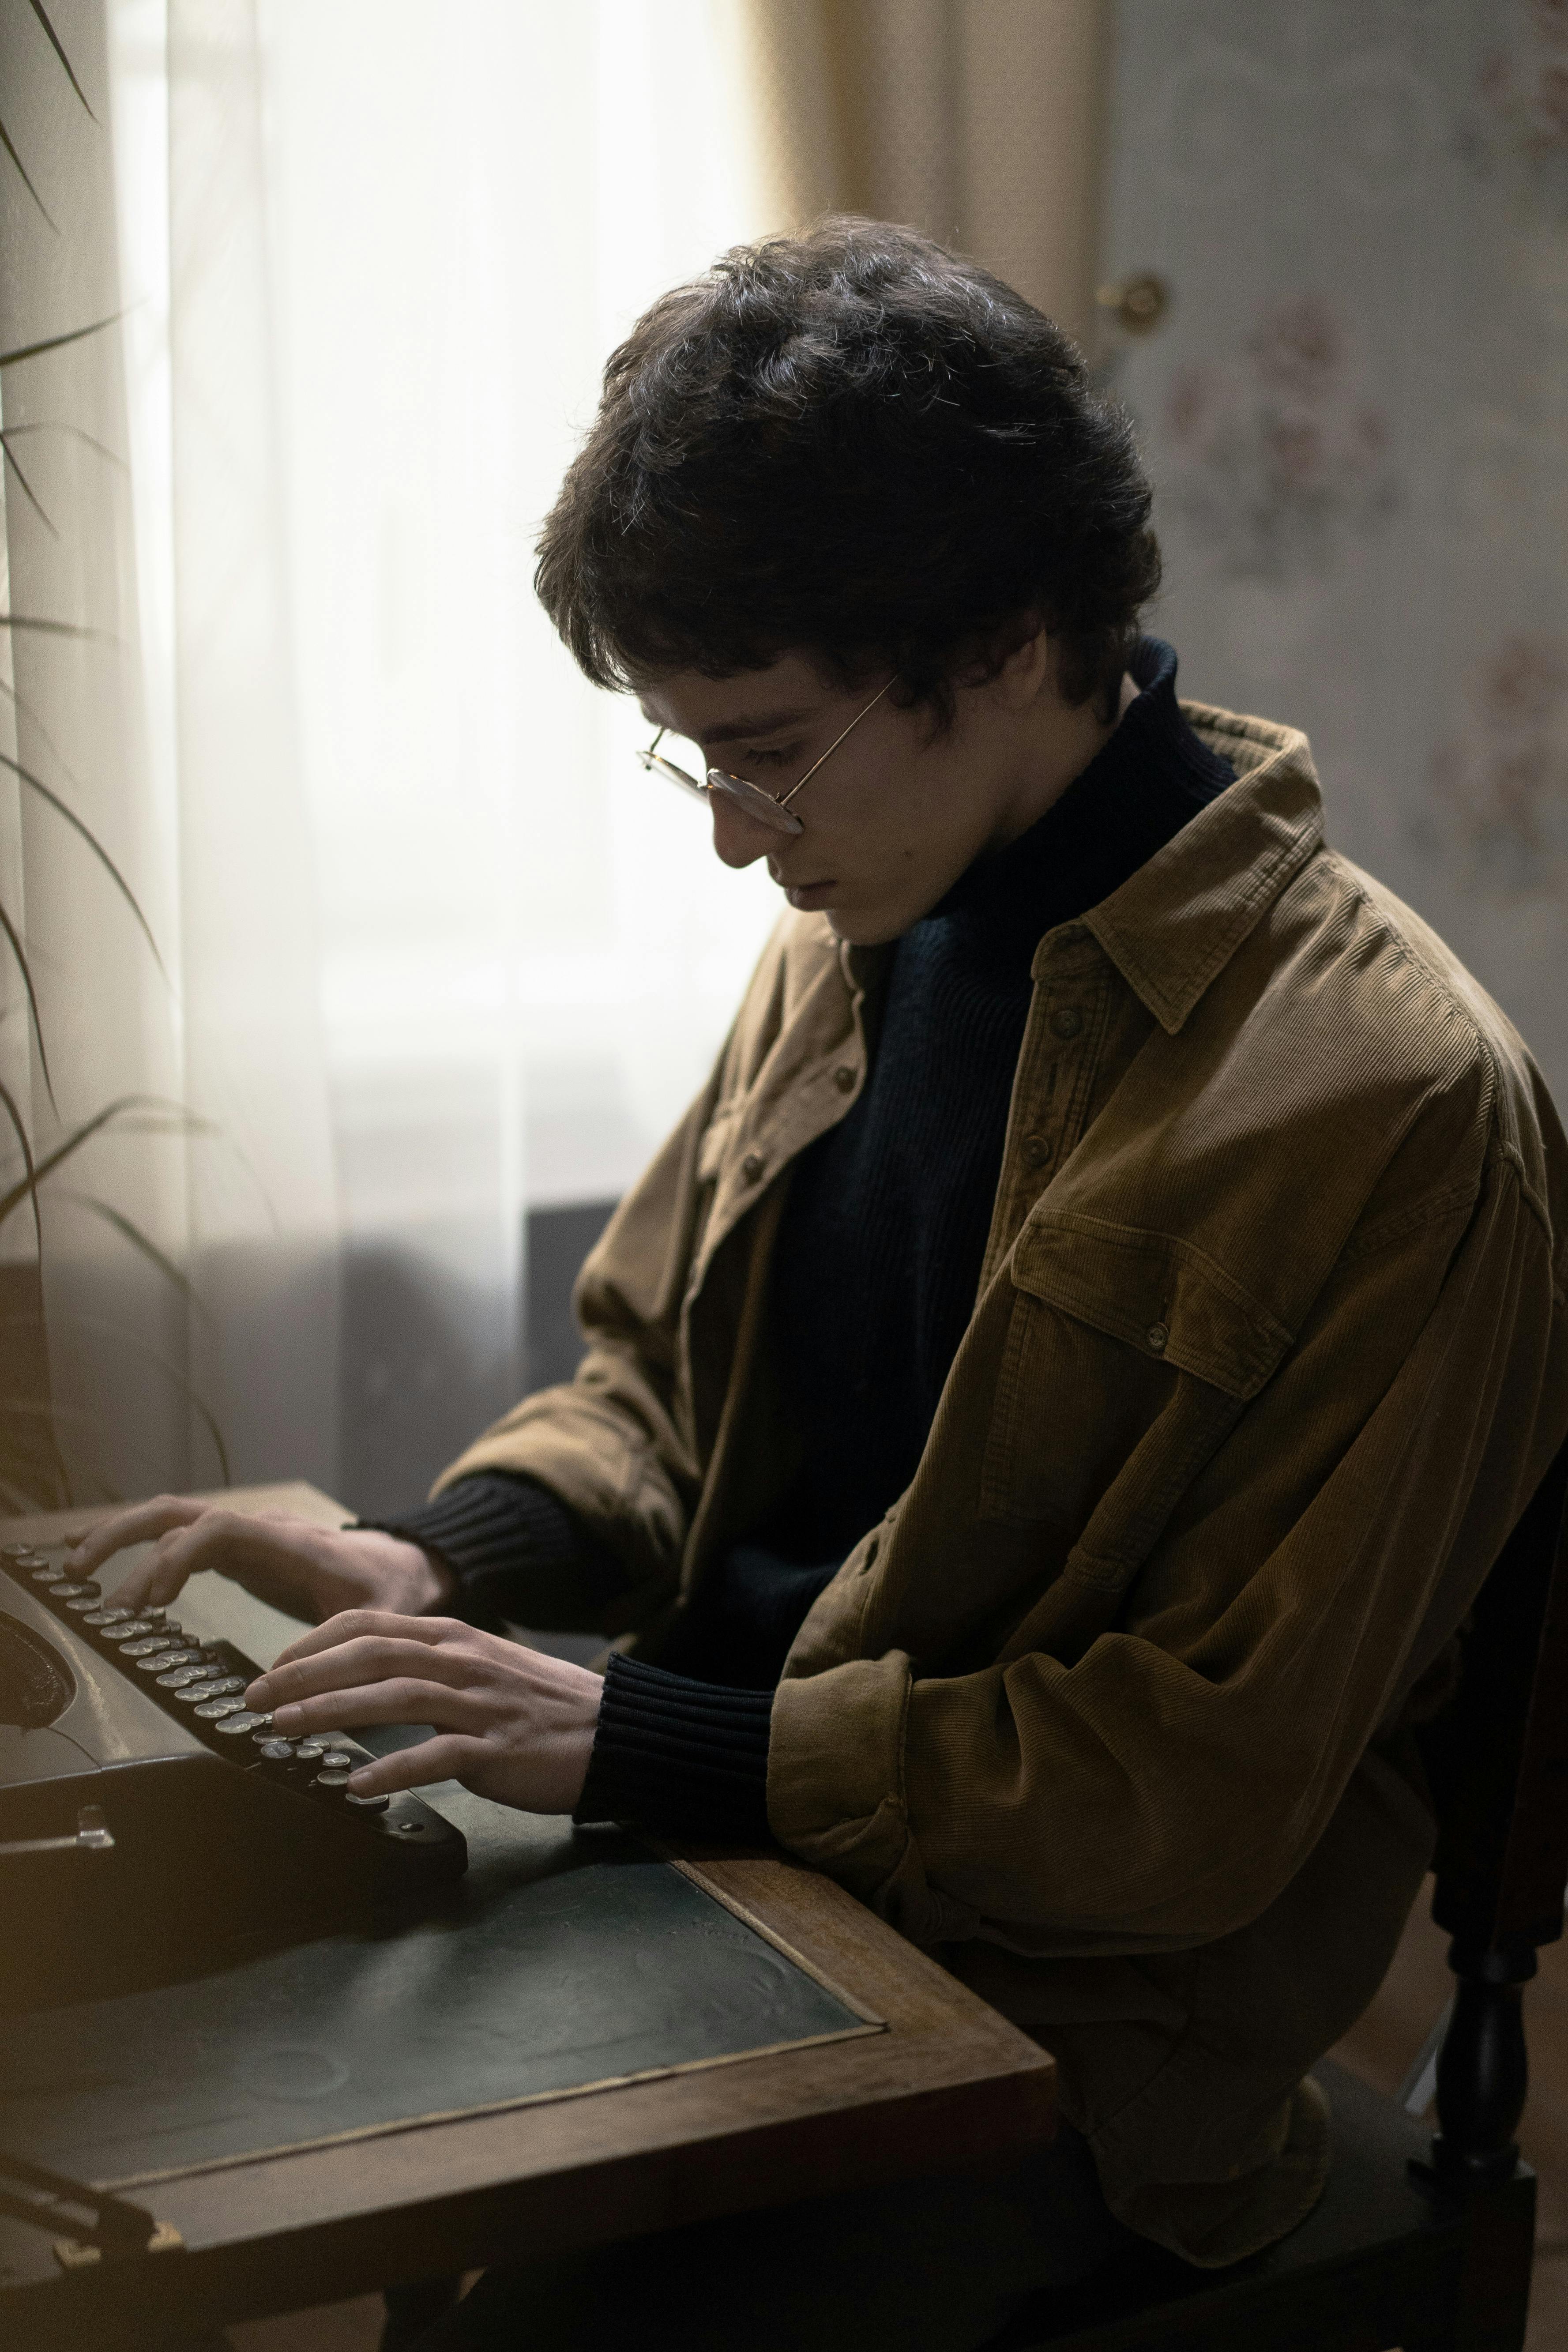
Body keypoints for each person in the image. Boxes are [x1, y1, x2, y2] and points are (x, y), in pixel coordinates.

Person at [75, 219, 1568, 2348]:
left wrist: (651, 1741)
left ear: (1015, 633)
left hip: (1072, 2041)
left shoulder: (1392, 1107)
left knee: (534, 2325)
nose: (734, 838)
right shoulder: (856, 921)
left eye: (764, 748)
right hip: (739, 1876)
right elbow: (654, 1393)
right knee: (197, 2061)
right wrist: (442, 1558)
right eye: (702, 758)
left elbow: (1187, 1803)